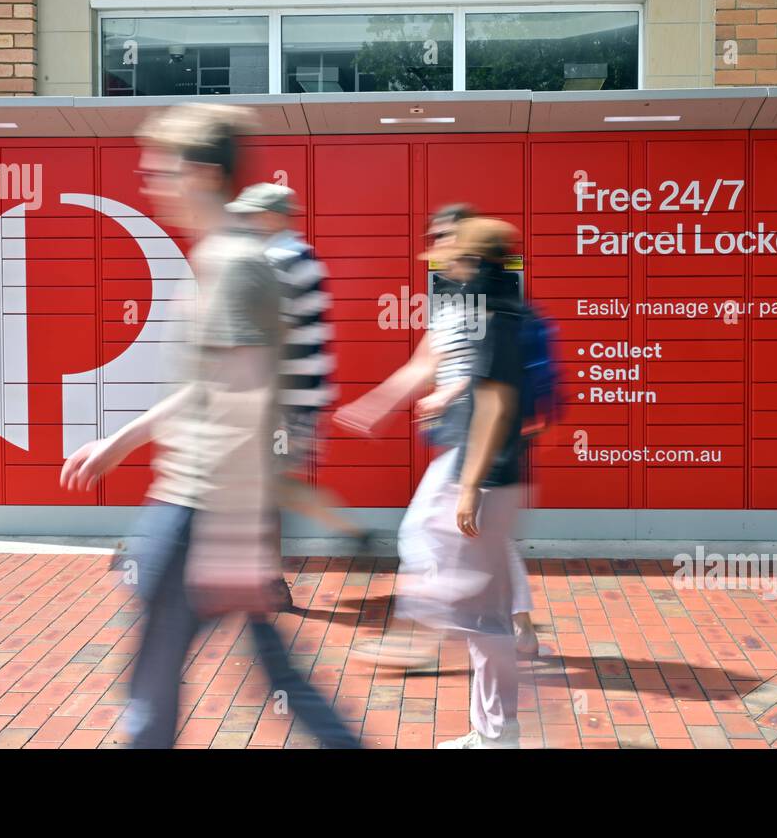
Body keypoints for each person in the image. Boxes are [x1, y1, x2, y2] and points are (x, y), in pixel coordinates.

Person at [60, 104, 359, 749]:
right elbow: (209, 386)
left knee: (151, 690)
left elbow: (244, 400)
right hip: (207, 508)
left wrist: (230, 544)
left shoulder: (233, 264)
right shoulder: (225, 259)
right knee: (263, 672)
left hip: (199, 510)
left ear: (197, 173)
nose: (147, 183)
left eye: (157, 171)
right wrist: (122, 442)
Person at [335, 205, 539, 658]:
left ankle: (426, 637)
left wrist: (451, 394)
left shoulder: (489, 298)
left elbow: (495, 372)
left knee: (423, 529)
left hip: (481, 432)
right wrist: (374, 405)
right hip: (465, 431)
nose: (437, 246)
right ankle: (516, 627)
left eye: (445, 236)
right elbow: (423, 364)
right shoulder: (450, 299)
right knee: (480, 535)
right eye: (435, 236)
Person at [399, 218, 531, 748]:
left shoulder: (491, 318)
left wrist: (472, 485)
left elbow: (494, 405)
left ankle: (422, 626)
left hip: (487, 475)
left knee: (477, 608)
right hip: (496, 474)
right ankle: (494, 732)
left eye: (453, 255)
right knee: (488, 613)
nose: (442, 263)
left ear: (475, 262)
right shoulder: (498, 312)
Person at [226, 182, 372, 609]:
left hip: (284, 400)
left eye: (251, 215)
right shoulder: (295, 256)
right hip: (290, 395)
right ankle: (336, 534)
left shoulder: (284, 260)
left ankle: (275, 577)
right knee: (265, 484)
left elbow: (275, 331)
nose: (245, 223)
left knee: (265, 486)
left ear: (272, 217)